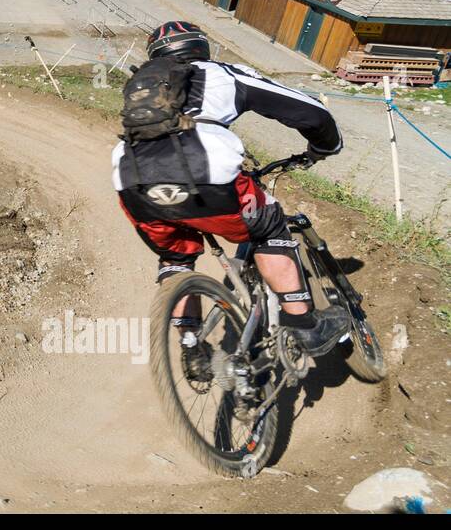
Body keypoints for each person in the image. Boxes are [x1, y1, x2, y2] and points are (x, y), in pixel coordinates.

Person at [113, 21, 351, 378]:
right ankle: (305, 325)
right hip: (204, 169)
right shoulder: (223, 73)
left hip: (130, 176)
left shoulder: (140, 85)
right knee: (269, 228)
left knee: (175, 255)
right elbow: (307, 110)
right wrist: (324, 145)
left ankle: (191, 344)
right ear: (201, 48)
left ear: (156, 57)